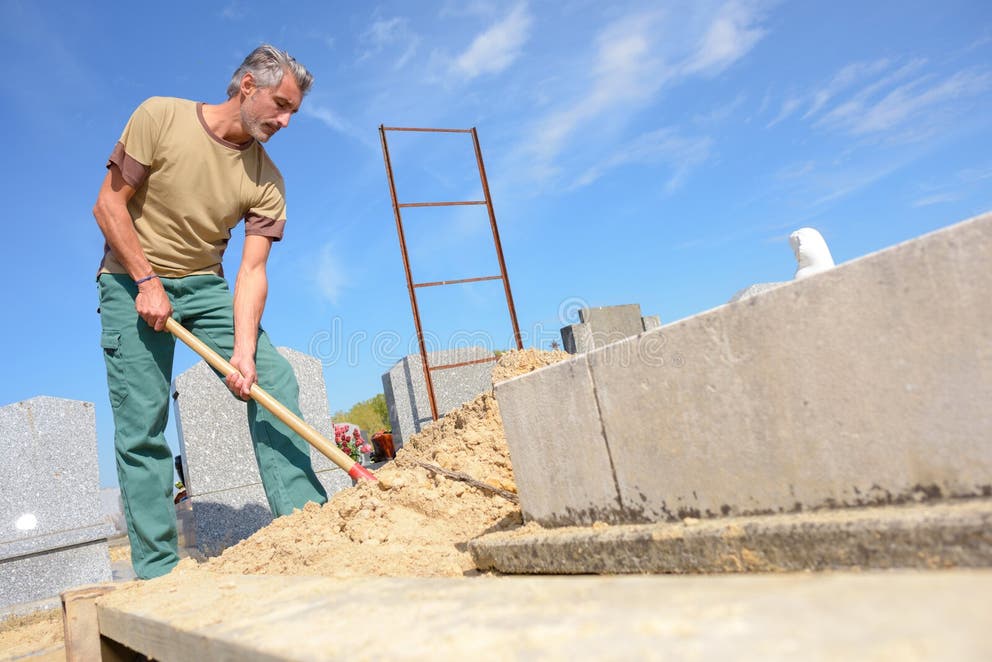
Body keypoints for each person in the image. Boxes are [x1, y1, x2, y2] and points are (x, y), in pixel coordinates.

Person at [93, 45, 328, 579]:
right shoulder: (160, 117)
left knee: (271, 377)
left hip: (206, 286)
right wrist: (147, 281)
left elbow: (251, 273)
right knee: (142, 423)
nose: (286, 121)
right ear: (247, 86)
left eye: (294, 112)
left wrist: (242, 352)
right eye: (281, 104)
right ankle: (159, 572)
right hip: (130, 278)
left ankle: (307, 525)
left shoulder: (268, 179)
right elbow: (108, 206)